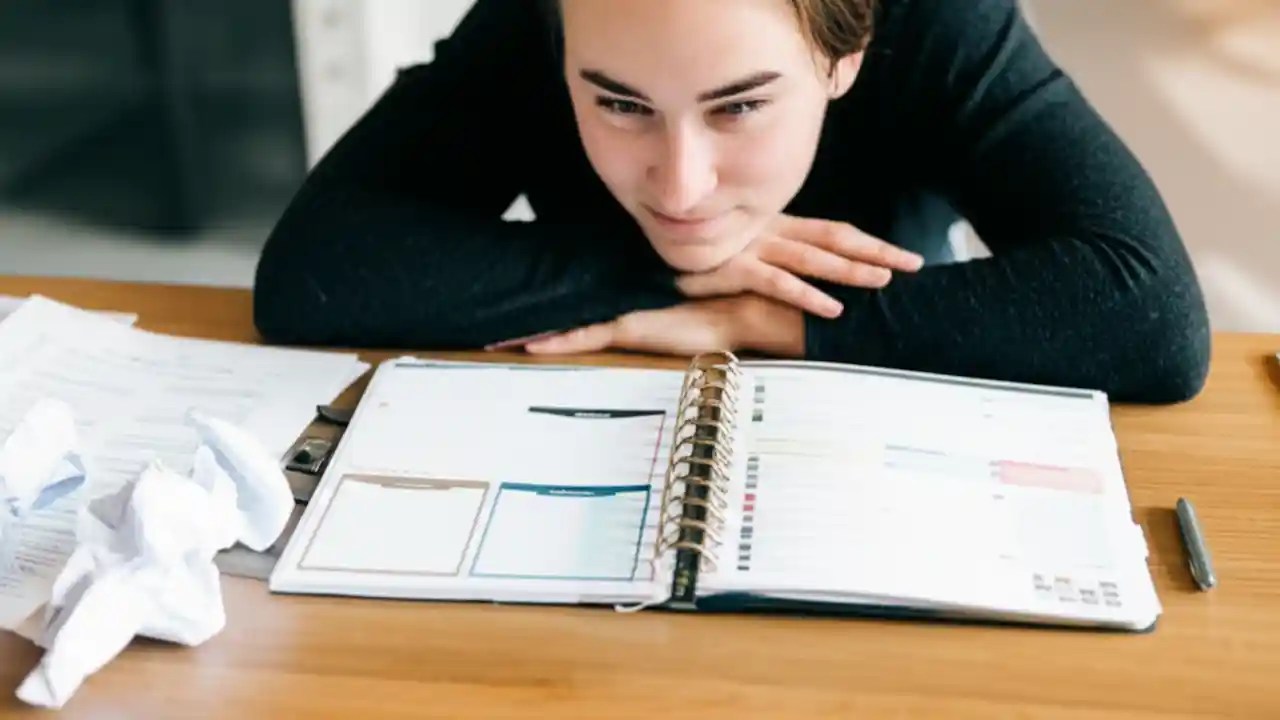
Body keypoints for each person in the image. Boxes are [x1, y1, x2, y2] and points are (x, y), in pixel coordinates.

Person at [253, 0, 1211, 403]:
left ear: (845, 57)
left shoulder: (934, 18)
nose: (681, 188)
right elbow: (315, 272)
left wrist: (765, 319)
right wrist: (654, 277)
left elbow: (1149, 314)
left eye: (741, 106)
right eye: (619, 105)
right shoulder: (543, 18)